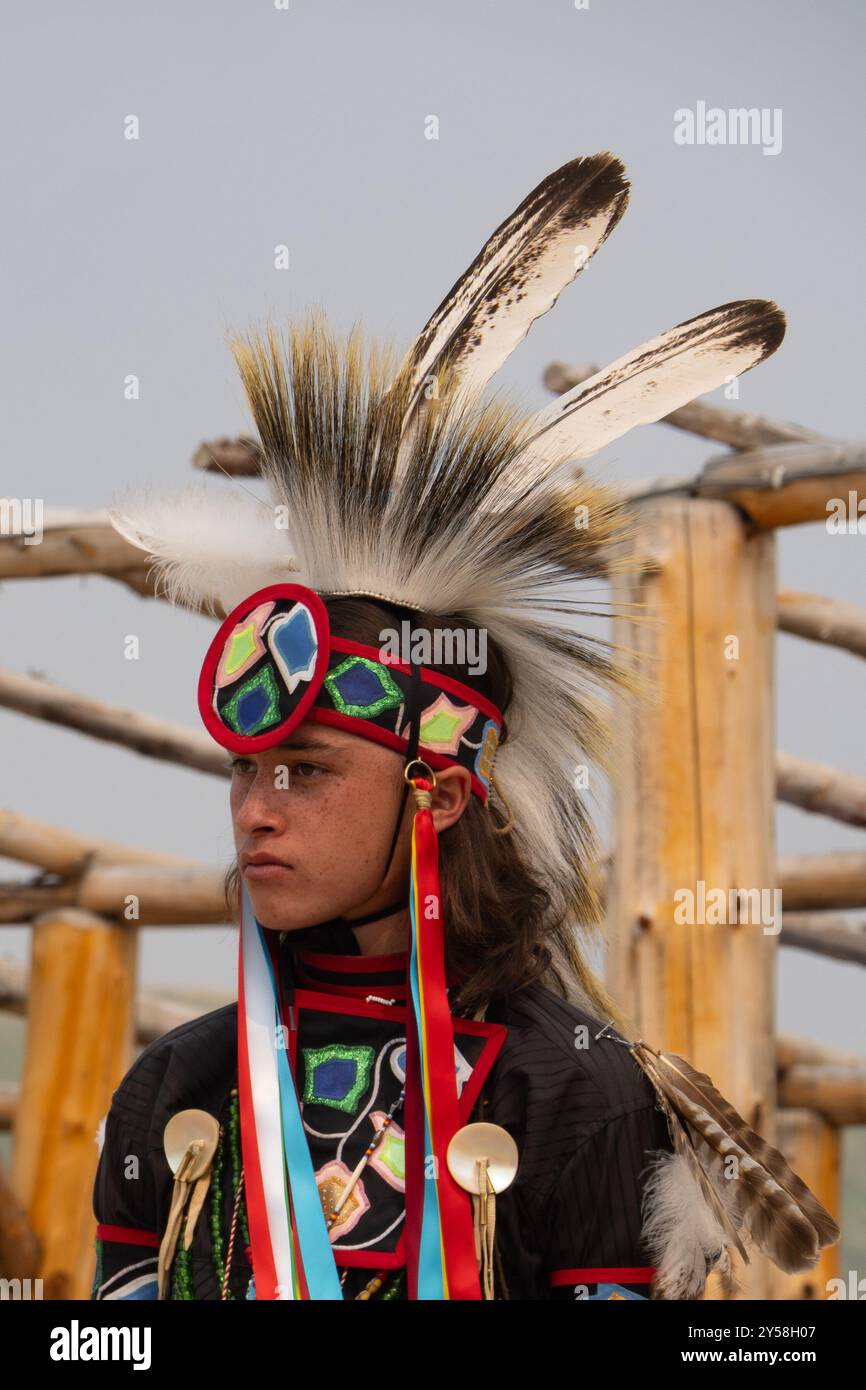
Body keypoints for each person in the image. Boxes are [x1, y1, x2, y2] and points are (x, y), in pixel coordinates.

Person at [91, 151, 838, 1301]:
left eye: (304, 771)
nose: (253, 808)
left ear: (436, 790)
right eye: (244, 769)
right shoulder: (177, 1088)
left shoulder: (574, 1092)